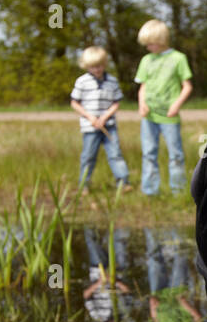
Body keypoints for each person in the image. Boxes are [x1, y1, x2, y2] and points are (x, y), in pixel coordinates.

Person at [135, 20, 193, 195]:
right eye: (145, 44)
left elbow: (187, 86)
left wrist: (176, 105)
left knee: (175, 154)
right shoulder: (146, 60)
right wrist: (141, 104)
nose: (147, 47)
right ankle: (150, 191)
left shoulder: (178, 58)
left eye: (150, 42)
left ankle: (178, 190)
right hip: (149, 117)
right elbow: (142, 86)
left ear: (161, 39)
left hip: (169, 116)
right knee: (148, 153)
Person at [70, 47, 133, 193]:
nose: (96, 69)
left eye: (99, 66)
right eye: (93, 67)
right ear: (87, 66)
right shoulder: (82, 81)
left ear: (104, 64)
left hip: (109, 126)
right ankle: (83, 185)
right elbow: (74, 103)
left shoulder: (112, 81)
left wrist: (104, 117)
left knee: (115, 154)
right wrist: (90, 117)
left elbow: (116, 102)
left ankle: (123, 183)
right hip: (90, 127)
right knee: (88, 156)